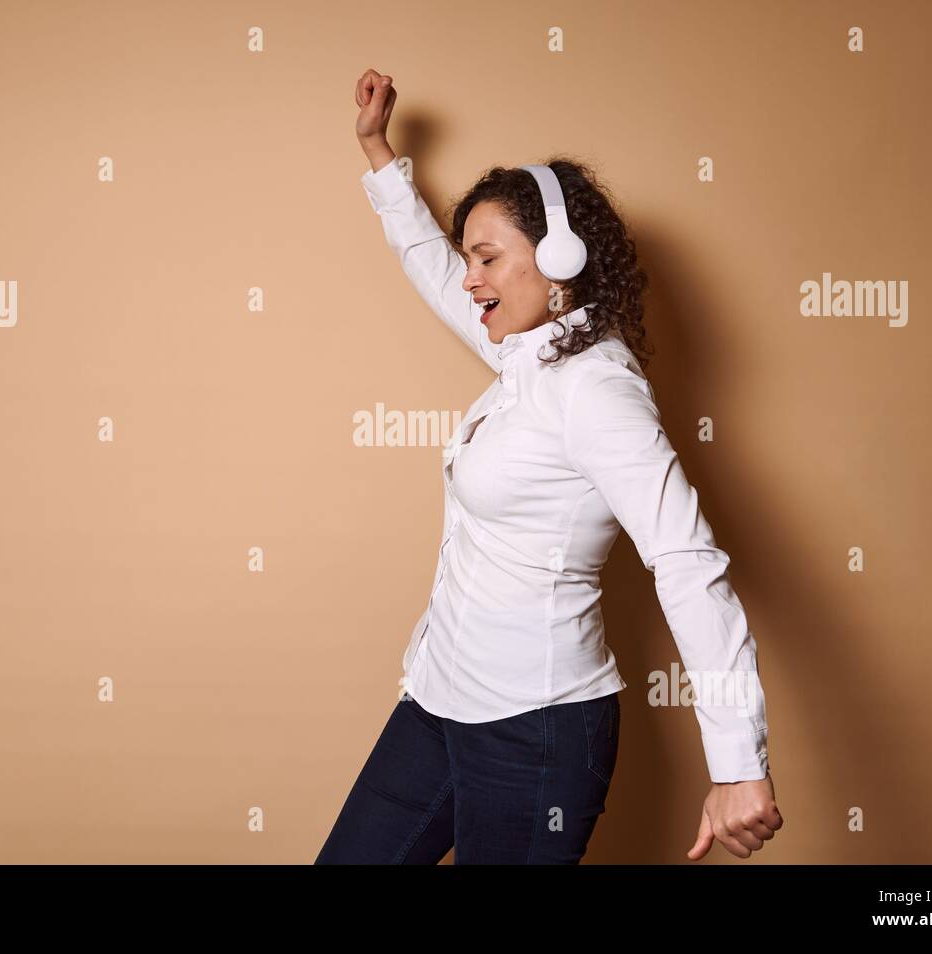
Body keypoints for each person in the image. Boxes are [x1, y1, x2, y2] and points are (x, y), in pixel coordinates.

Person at [315, 68, 784, 864]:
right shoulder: (530, 355)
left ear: (559, 256)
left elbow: (686, 562)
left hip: (533, 734)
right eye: (472, 260)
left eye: (489, 259)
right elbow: (434, 270)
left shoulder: (595, 389)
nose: (472, 279)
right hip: (436, 704)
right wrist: (378, 152)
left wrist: (739, 763)